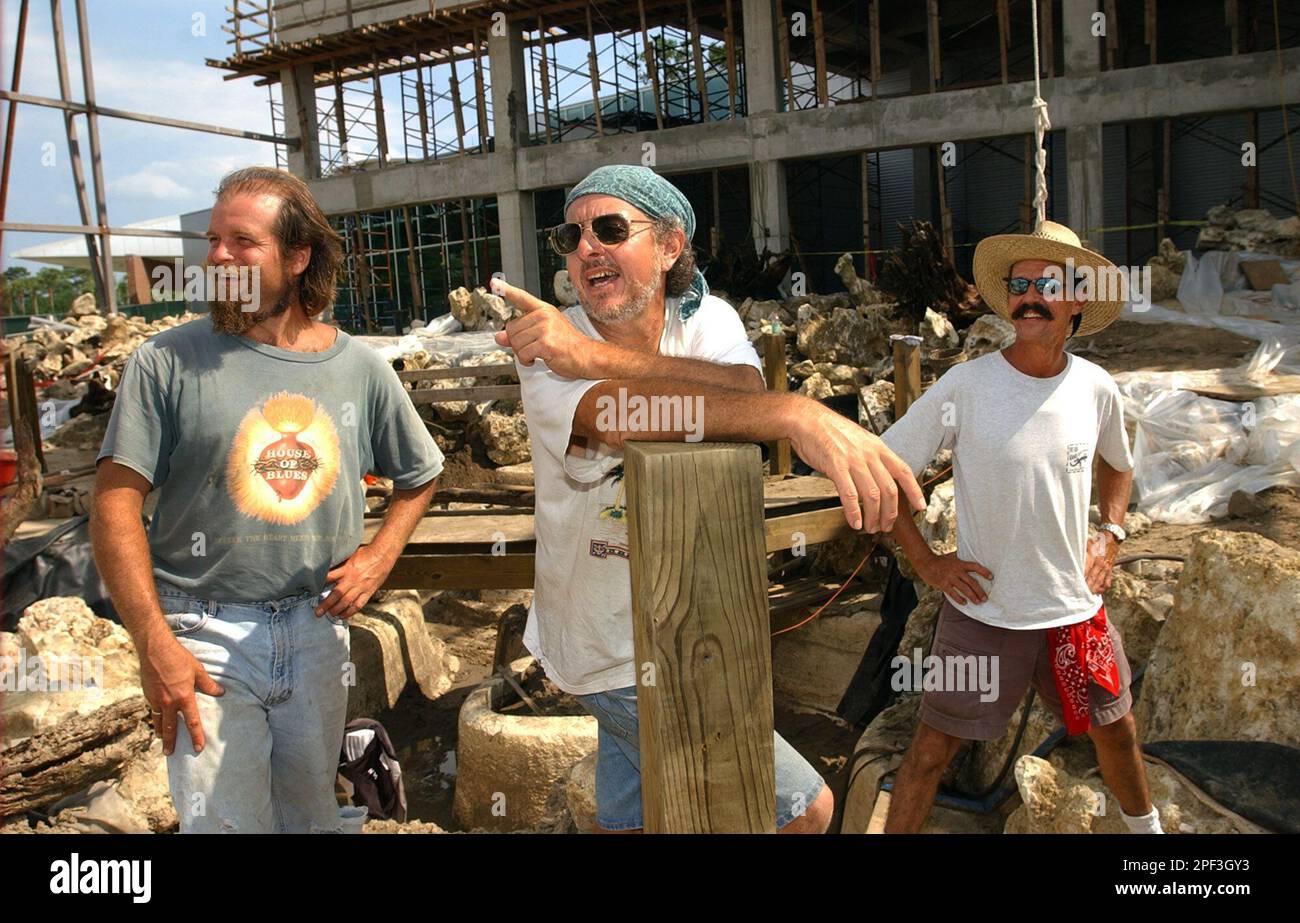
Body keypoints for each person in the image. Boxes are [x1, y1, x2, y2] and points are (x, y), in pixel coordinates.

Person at [492, 164, 924, 832]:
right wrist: (798, 416)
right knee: (803, 811)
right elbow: (621, 414)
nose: (586, 249)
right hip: (609, 646)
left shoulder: (705, 319)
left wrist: (594, 356)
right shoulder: (545, 342)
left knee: (638, 814)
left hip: (688, 621)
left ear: (667, 247)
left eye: (609, 228)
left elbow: (743, 392)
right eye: (570, 236)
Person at [91, 167, 444, 833]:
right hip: (204, 636)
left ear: (297, 256)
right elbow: (113, 506)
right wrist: (153, 641)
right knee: (226, 826)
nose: (217, 256)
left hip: (318, 637)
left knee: (310, 820)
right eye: (212, 239)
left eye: (242, 242)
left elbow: (421, 472)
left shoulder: (359, 368)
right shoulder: (165, 363)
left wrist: (377, 557)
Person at [879, 220, 1162, 834]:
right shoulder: (967, 385)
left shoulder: (1096, 387)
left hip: (1073, 613)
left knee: (1116, 733)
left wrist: (1110, 536)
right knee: (930, 753)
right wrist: (926, 561)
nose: (1029, 296)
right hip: (984, 614)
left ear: (1077, 298)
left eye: (1047, 284)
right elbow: (883, 469)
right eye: (1019, 284)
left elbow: (1119, 466)